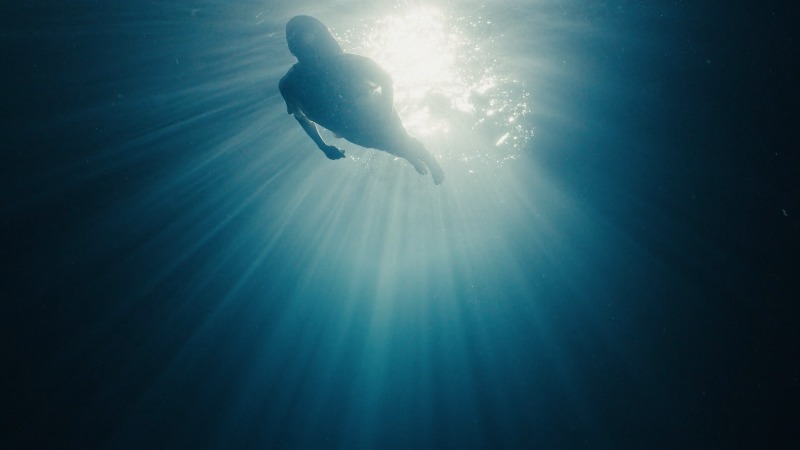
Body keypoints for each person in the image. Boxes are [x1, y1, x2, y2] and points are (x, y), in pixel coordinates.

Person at [279, 15, 445, 185]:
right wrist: (323, 147)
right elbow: (300, 117)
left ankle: (427, 160)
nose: (297, 40)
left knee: (401, 140)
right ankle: (412, 158)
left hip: (375, 114)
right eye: (293, 37)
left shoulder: (347, 63)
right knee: (389, 146)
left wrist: (385, 113)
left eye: (302, 35)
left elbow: (385, 78)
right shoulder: (289, 84)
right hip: (352, 130)